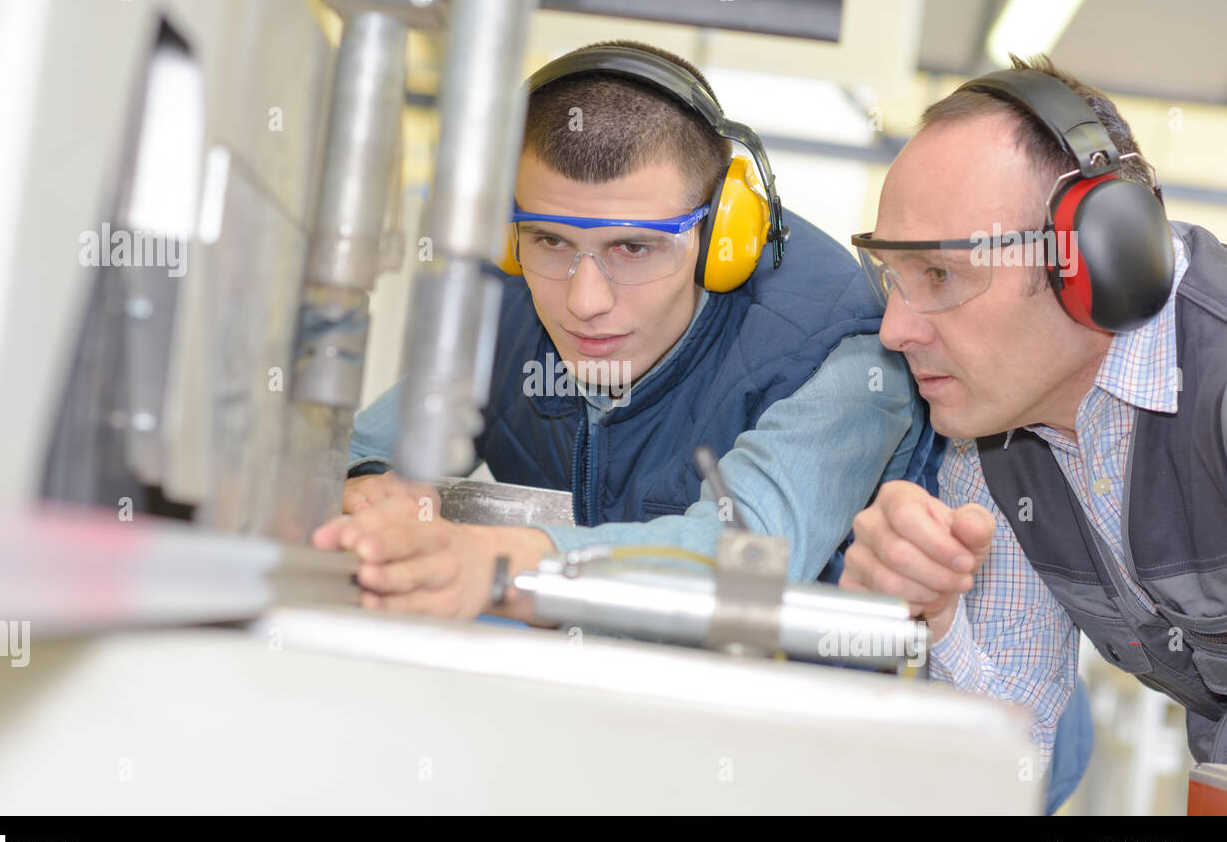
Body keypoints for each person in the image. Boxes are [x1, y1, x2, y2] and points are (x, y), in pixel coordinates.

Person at [312, 40, 939, 621]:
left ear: (723, 237)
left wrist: (499, 564)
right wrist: (365, 483)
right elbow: (341, 448)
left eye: (635, 248)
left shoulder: (843, 356)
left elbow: (744, 564)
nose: (584, 302)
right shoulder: (504, 300)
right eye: (551, 240)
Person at [840, 54, 1227, 807]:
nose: (894, 329)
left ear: (1096, 257)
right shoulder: (997, 437)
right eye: (891, 276)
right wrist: (938, 619)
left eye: (941, 276)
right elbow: (1013, 750)